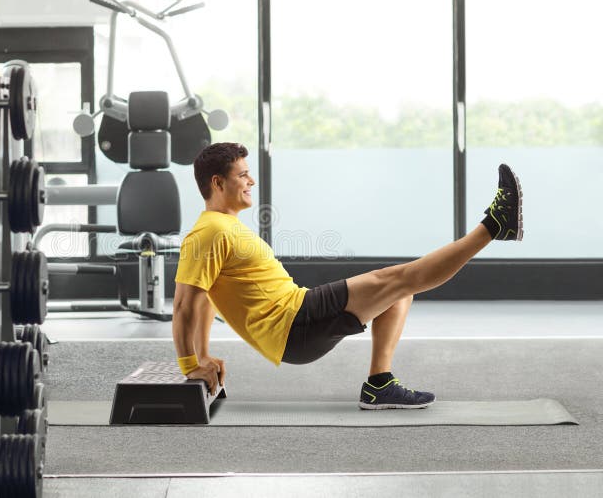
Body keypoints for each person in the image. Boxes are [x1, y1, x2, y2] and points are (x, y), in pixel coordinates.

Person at [172, 142, 523, 410]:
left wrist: (203, 357)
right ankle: (494, 225)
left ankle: (379, 385)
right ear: (217, 183)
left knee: (398, 291)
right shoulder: (209, 233)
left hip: (298, 317)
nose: (252, 180)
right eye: (242, 175)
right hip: (295, 322)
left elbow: (205, 297)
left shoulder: (222, 227)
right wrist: (191, 365)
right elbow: (185, 305)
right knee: (401, 278)